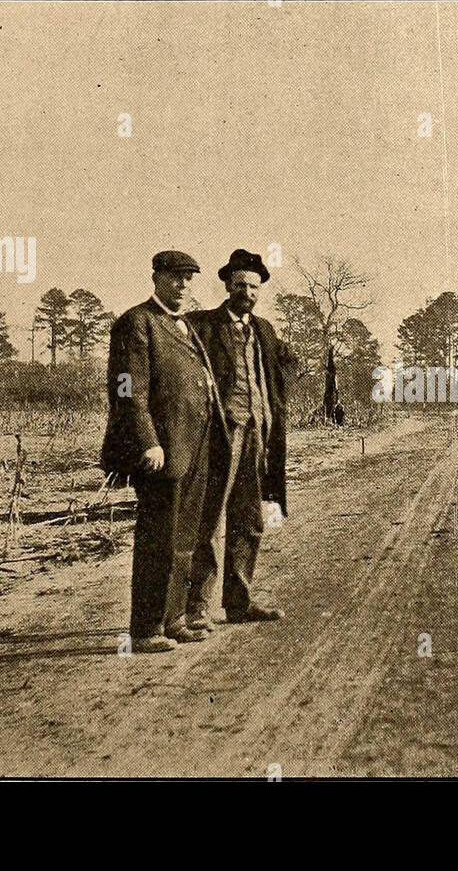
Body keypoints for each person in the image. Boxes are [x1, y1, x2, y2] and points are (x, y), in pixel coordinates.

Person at [101, 250, 229, 652]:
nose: (183, 285)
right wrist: (148, 441)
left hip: (196, 448)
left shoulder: (184, 326)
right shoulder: (135, 323)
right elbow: (127, 392)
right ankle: (145, 629)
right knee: (158, 538)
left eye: (189, 279)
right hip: (162, 452)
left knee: (184, 537)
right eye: (175, 277)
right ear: (155, 277)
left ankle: (173, 619)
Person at [186, 249, 290, 624]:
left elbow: (280, 370)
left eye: (254, 286)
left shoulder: (263, 329)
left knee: (249, 519)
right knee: (210, 518)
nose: (247, 291)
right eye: (241, 284)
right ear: (228, 285)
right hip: (218, 435)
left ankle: (238, 603)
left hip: (257, 433)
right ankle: (196, 608)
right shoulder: (203, 326)